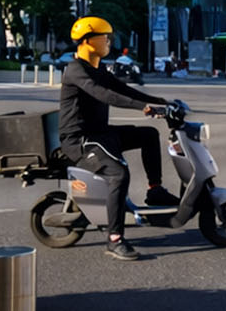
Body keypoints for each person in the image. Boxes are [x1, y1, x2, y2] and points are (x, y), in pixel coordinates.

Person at [59, 17, 178, 262]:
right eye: (104, 36)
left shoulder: (99, 67)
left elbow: (123, 89)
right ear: (87, 40)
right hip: (80, 139)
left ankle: (154, 190)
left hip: (101, 134)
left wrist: (160, 102)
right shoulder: (76, 70)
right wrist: (142, 108)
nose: (108, 40)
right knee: (118, 175)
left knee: (148, 135)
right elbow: (104, 94)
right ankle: (114, 239)